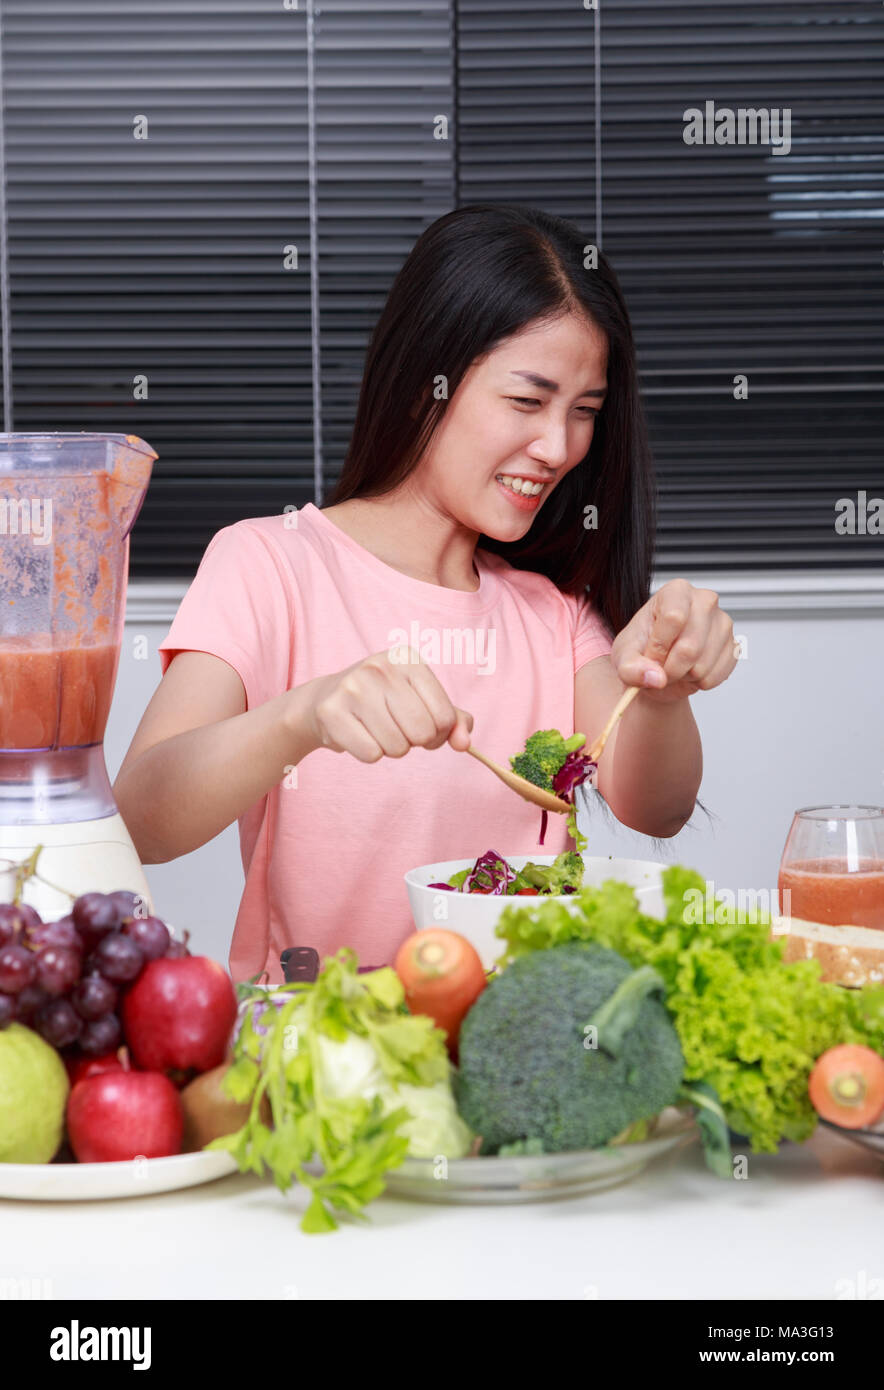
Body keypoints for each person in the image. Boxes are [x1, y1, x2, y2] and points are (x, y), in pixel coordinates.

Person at [114, 204, 738, 983]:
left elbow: (657, 808)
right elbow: (139, 817)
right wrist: (303, 716)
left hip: (509, 1053)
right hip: (324, 1054)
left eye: (585, 413)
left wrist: (665, 693)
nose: (558, 448)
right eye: (526, 401)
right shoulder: (271, 564)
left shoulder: (551, 614)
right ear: (425, 382)